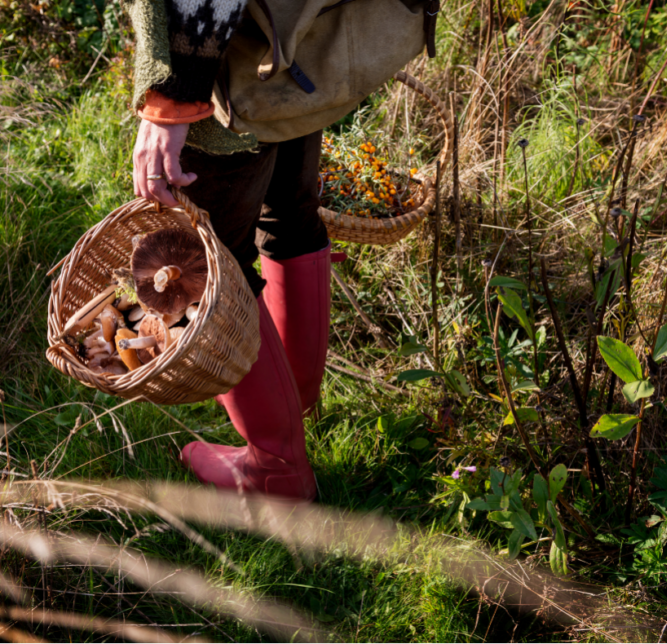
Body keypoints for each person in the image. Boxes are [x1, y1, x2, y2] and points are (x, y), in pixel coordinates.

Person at [126, 0, 436, 501]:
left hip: (222, 62)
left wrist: (173, 98)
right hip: (287, 48)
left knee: (198, 265)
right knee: (288, 216)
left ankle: (276, 469)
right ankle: (293, 404)